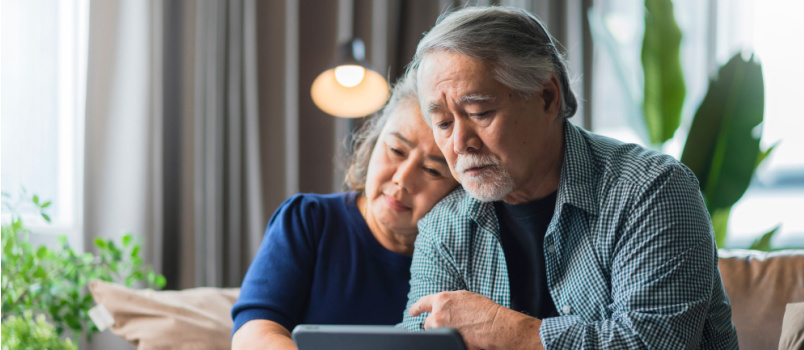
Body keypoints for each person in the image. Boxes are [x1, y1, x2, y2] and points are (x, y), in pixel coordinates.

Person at [399, 6, 739, 349]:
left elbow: (653, 342)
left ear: (548, 96)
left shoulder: (651, 190)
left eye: (479, 112)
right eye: (442, 123)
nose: (459, 144)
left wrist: (509, 332)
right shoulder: (445, 225)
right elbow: (418, 341)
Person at [231, 73, 459, 350]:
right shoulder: (309, 219)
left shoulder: (460, 258)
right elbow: (253, 331)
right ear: (374, 142)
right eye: (396, 150)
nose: (403, 179)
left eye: (433, 170)